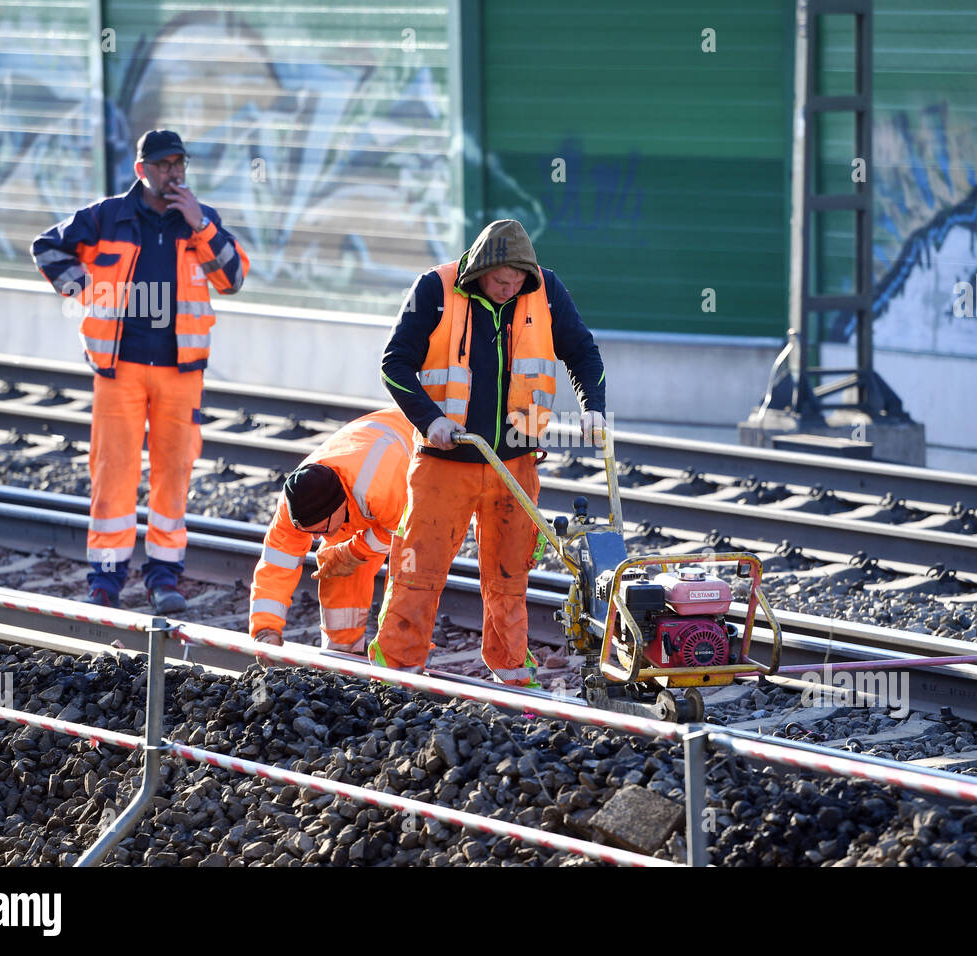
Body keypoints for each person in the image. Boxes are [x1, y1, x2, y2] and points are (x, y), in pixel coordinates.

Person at [372, 219, 607, 686]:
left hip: (515, 462)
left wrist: (593, 409)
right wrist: (430, 418)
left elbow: (583, 353)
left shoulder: (544, 290)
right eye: (502, 281)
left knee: (509, 574)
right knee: (418, 569)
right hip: (446, 462)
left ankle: (512, 671)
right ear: (480, 270)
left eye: (518, 281)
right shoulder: (434, 289)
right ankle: (397, 673)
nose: (509, 289)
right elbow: (394, 363)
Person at [31, 130, 250, 613]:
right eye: (163, 164)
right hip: (120, 370)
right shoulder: (108, 215)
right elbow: (46, 248)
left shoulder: (200, 220)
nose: (173, 172)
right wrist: (87, 293)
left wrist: (201, 225)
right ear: (141, 169)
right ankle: (106, 580)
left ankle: (163, 576)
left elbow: (232, 278)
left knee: (174, 474)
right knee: (113, 473)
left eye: (179, 164)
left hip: (179, 372)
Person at [249, 407, 414, 652]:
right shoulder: (295, 503)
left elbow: (403, 529)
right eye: (309, 531)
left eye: (320, 528)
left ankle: (406, 656)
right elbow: (277, 564)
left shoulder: (381, 487)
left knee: (411, 570)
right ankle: (342, 653)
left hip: (417, 449)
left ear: (341, 504)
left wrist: (354, 551)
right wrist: (265, 631)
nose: (316, 538)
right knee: (336, 567)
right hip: (365, 461)